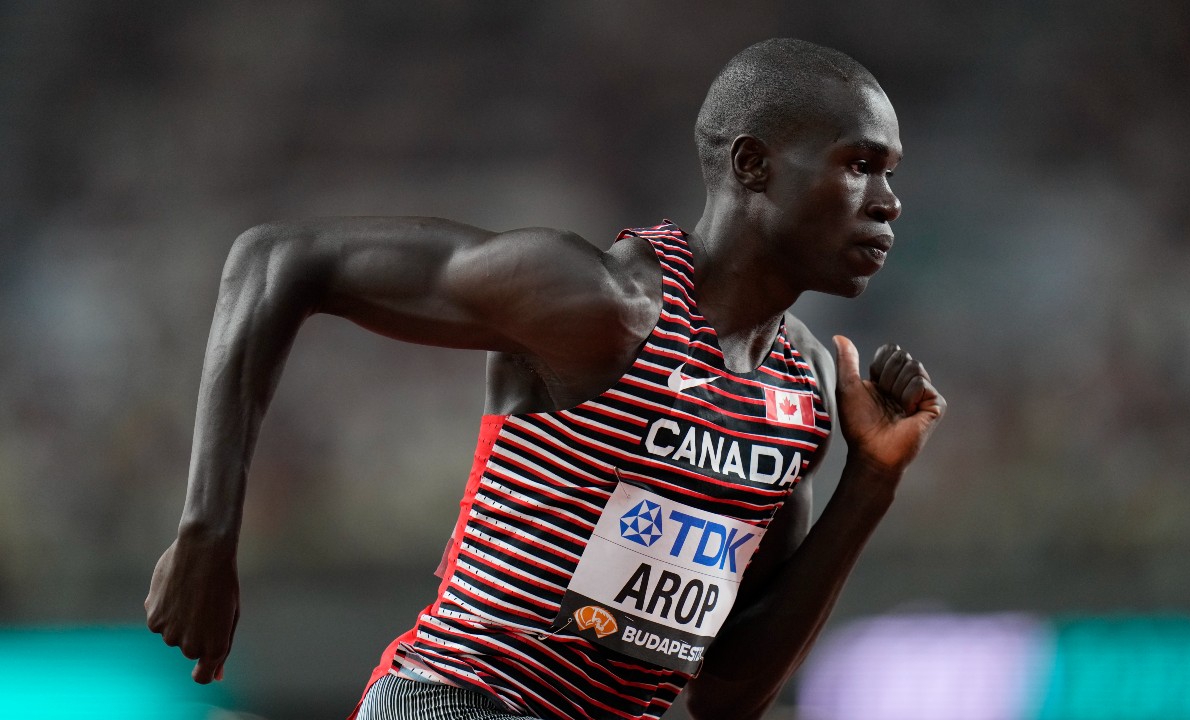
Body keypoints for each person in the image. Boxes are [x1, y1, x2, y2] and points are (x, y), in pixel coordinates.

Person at [144, 37, 946, 720]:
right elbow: (276, 259)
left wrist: (870, 480)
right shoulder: (597, 302)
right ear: (753, 165)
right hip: (460, 700)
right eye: (861, 165)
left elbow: (727, 694)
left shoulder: (800, 390)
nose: (890, 203)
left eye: (891, 173)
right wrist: (208, 532)